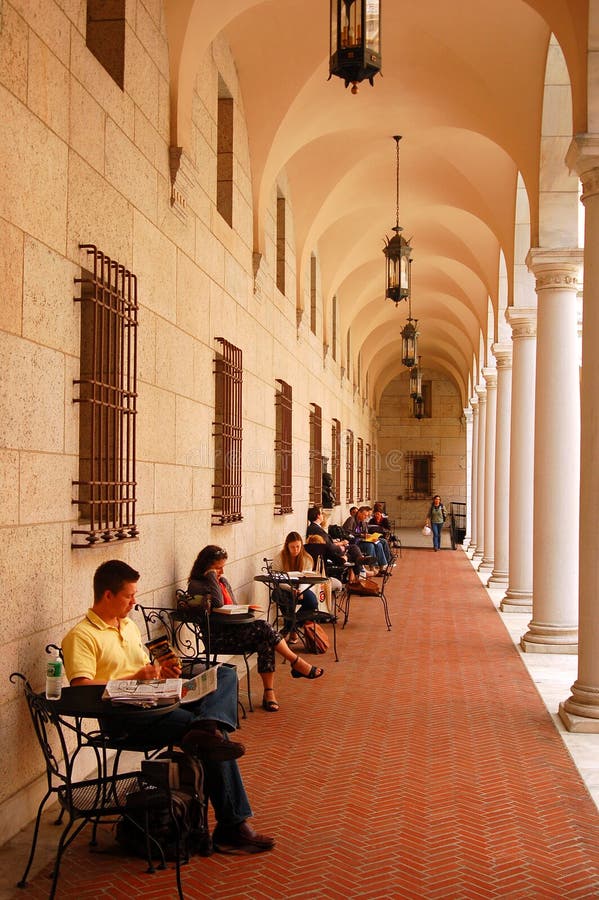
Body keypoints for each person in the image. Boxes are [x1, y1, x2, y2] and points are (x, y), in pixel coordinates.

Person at [61, 559, 274, 854]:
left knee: (223, 674)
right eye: (128, 596)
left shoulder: (128, 626)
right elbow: (81, 688)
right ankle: (232, 826)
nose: (134, 603)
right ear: (107, 595)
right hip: (127, 719)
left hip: (159, 700)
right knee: (214, 741)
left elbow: (146, 667)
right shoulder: (81, 636)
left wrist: (163, 670)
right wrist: (135, 677)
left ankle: (206, 726)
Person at [188, 546, 324, 714]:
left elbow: (232, 607)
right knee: (265, 629)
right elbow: (216, 604)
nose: (222, 571)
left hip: (235, 630)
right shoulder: (197, 585)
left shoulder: (222, 581)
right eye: (217, 567)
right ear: (206, 567)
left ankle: (270, 692)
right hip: (218, 637)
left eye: (223, 566)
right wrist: (211, 578)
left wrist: (244, 608)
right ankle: (294, 664)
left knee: (265, 638)